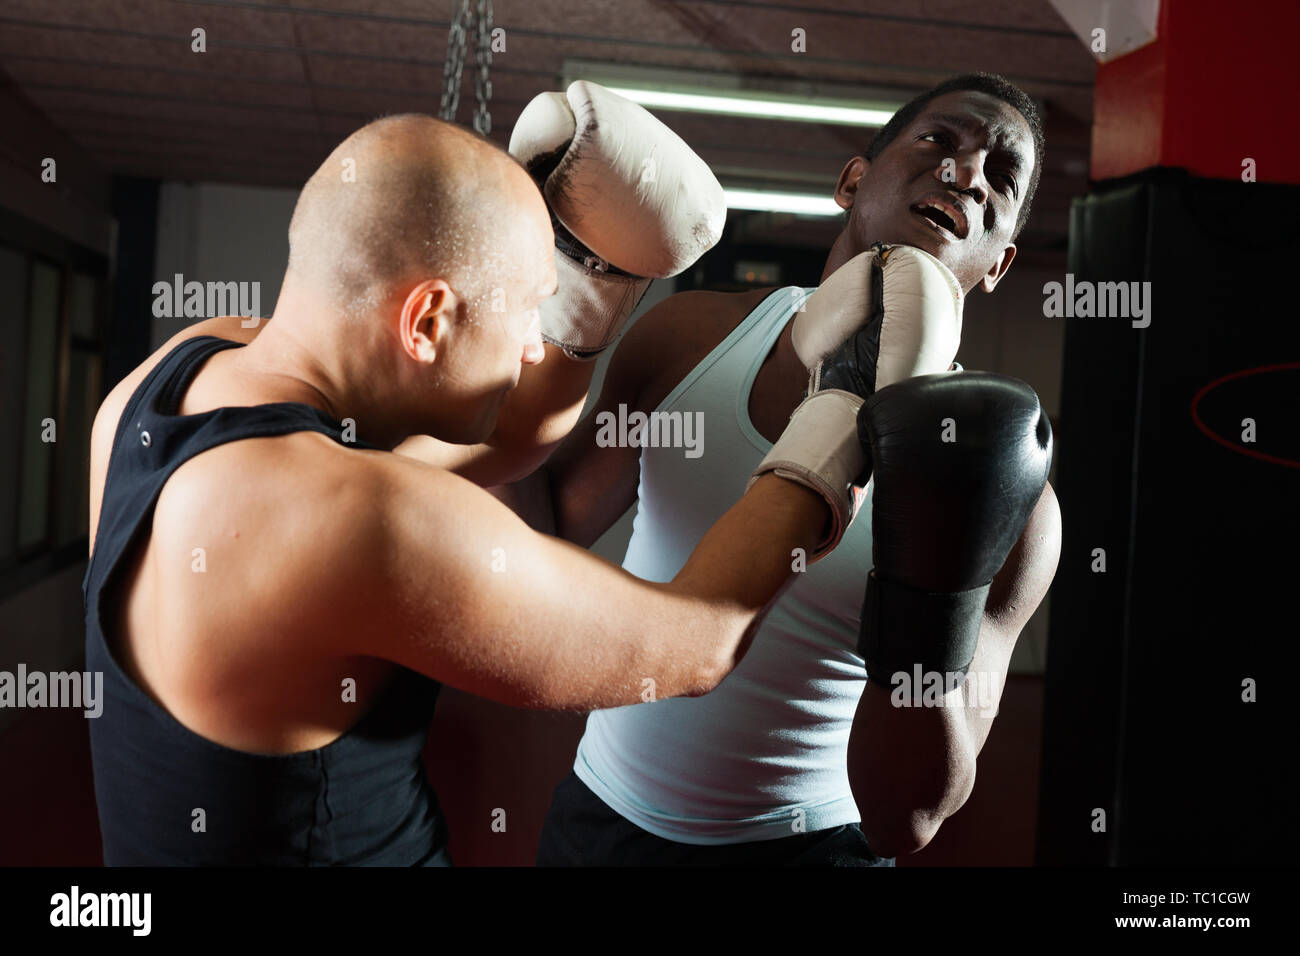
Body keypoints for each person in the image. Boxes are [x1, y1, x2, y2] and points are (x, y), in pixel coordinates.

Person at [84, 106, 881, 866]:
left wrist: (591, 282)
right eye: (532, 310)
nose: (536, 349)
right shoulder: (362, 520)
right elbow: (694, 641)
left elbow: (501, 438)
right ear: (427, 321)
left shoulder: (176, 374)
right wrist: (837, 414)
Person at [508, 72, 1064, 866]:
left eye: (1000, 177)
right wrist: (570, 305)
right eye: (940, 140)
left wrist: (932, 577)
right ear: (853, 179)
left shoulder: (1015, 498)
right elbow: (544, 529)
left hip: (805, 848)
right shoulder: (692, 336)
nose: (968, 173)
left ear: (1001, 265)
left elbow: (907, 818)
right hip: (600, 819)